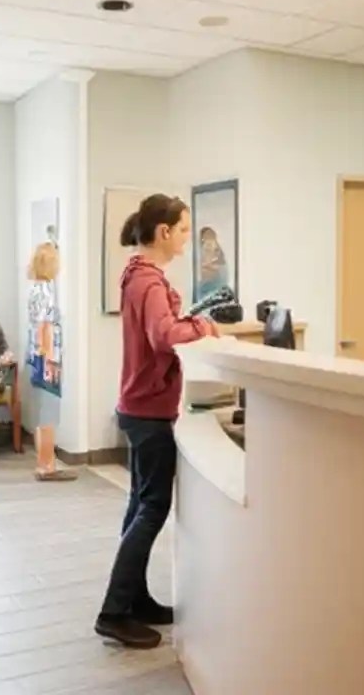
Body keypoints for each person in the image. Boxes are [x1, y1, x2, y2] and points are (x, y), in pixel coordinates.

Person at [95, 194, 219, 649]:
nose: (188, 237)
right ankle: (113, 610)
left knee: (139, 506)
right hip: (148, 410)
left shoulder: (140, 277)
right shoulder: (148, 282)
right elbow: (163, 336)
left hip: (139, 405)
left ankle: (135, 600)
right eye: (184, 229)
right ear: (164, 232)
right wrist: (203, 327)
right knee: (152, 508)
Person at [27, 242, 76, 482]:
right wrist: (48, 359)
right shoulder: (46, 291)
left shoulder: (35, 289)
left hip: (37, 357)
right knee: (49, 414)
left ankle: (43, 462)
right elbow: (45, 328)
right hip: (47, 359)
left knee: (42, 413)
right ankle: (47, 465)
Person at [194, 226, 229, 302]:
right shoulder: (202, 254)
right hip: (204, 294)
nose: (208, 242)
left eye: (210, 237)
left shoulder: (220, 259)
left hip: (215, 294)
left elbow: (219, 272)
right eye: (204, 240)